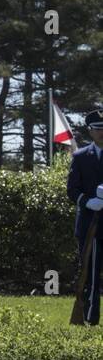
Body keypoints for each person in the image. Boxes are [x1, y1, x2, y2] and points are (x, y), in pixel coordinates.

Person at [67, 109, 103, 324]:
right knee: (90, 274)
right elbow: (72, 189)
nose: (102, 133)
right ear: (90, 131)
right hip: (90, 224)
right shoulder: (80, 157)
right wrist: (88, 201)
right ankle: (90, 317)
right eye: (98, 129)